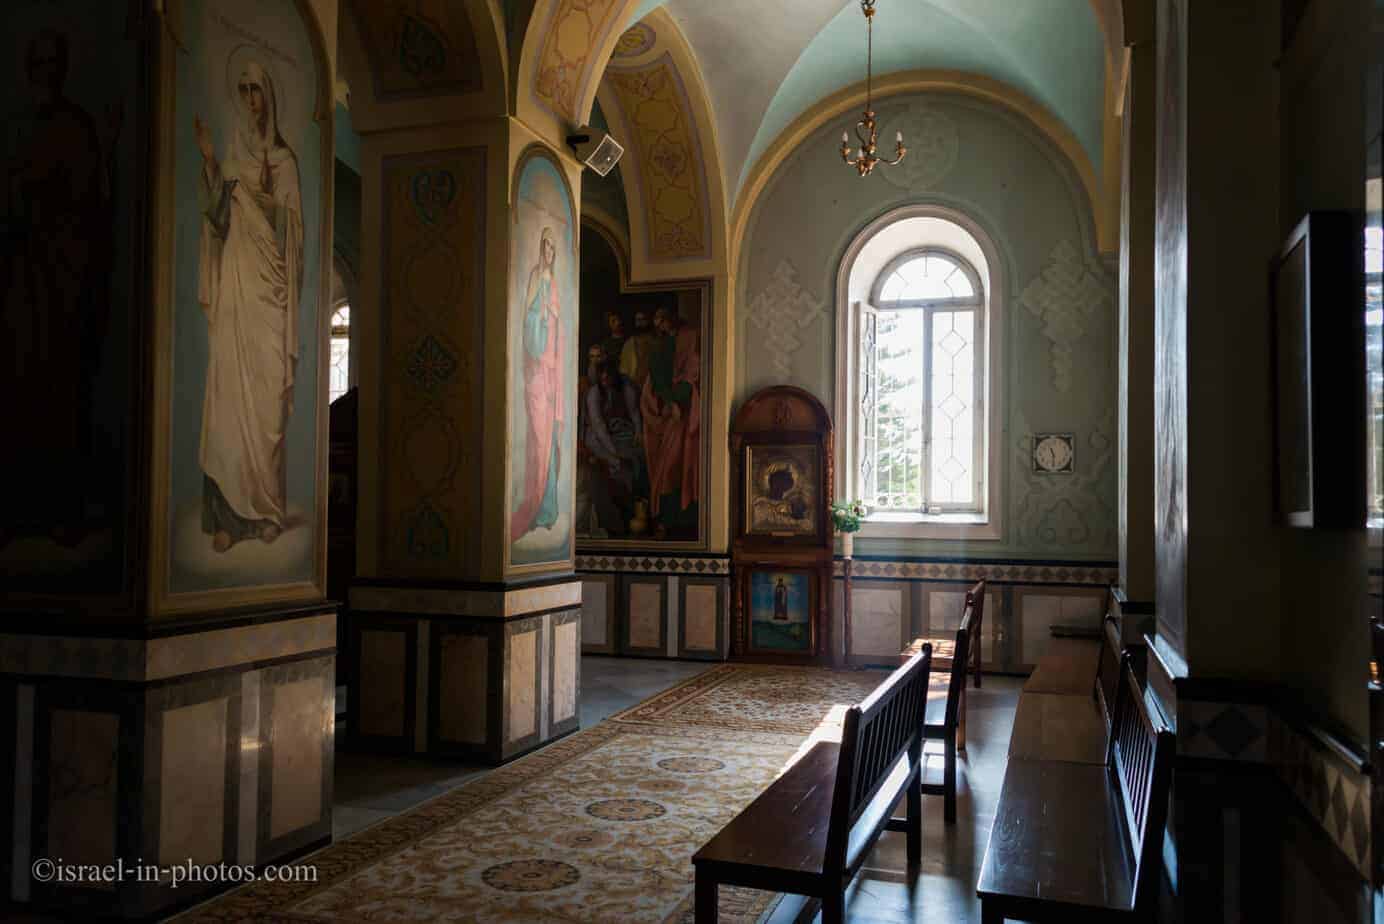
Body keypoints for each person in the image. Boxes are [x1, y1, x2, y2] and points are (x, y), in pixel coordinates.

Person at [1, 29, 118, 547]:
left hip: (63, 287)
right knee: (21, 392)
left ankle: (59, 508)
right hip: (24, 288)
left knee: (63, 395)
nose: (45, 71)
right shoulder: (18, 127)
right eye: (37, 62)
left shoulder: (74, 127)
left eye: (53, 62)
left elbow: (91, 205)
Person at [194, 60, 304, 553]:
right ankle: (228, 517)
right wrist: (212, 163)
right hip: (237, 280)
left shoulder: (282, 160)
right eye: (242, 90)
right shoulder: (236, 156)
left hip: (269, 288)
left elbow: (293, 234)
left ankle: (265, 512)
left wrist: (263, 196)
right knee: (227, 395)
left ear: (269, 96)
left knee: (264, 401)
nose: (248, 98)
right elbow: (218, 220)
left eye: (255, 89)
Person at [511, 226, 566, 540]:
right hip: (537, 372)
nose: (549, 251)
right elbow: (528, 325)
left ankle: (548, 509)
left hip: (552, 373)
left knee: (552, 439)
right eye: (545, 245)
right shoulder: (535, 277)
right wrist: (542, 320)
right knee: (538, 438)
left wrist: (554, 318)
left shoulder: (554, 283)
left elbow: (559, 331)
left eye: (552, 248)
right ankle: (534, 504)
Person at [640, 305, 700, 536]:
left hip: (684, 416)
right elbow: (657, 378)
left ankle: (678, 519)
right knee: (665, 468)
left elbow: (689, 378)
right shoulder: (659, 349)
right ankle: (664, 519)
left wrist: (677, 401)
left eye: (662, 319)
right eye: (657, 320)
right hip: (666, 413)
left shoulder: (690, 345)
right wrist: (668, 402)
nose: (660, 325)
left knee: (679, 464)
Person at [619, 307, 655, 388]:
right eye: (638, 320)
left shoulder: (655, 342)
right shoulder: (629, 343)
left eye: (643, 319)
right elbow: (624, 370)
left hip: (651, 382)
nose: (640, 322)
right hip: (633, 383)